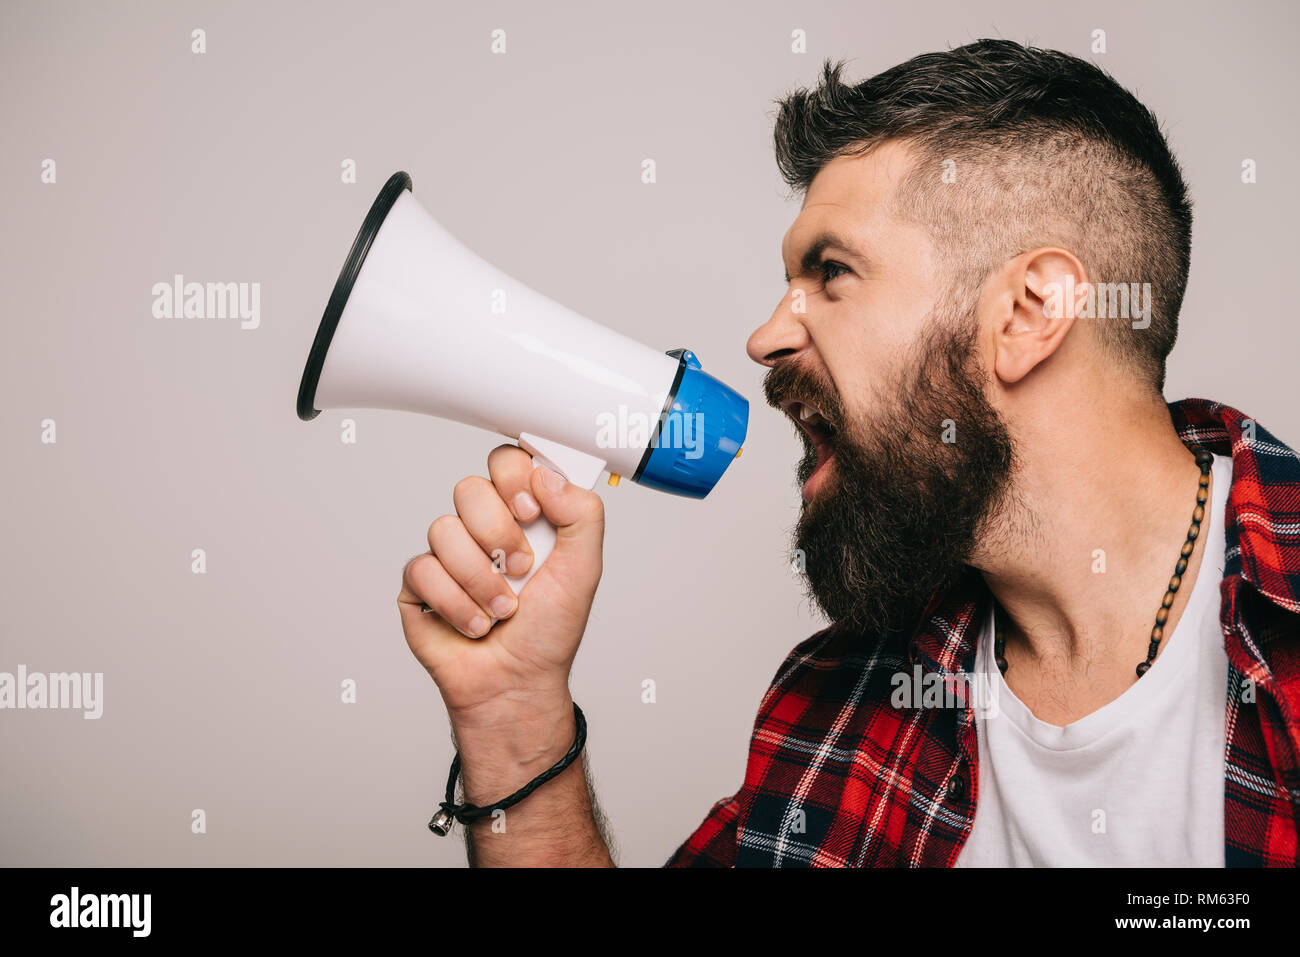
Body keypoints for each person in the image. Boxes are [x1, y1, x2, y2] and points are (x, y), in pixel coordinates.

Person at [397, 39, 1300, 867]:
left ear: (1027, 314)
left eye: (829, 272)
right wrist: (515, 714)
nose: (762, 338)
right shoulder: (839, 697)